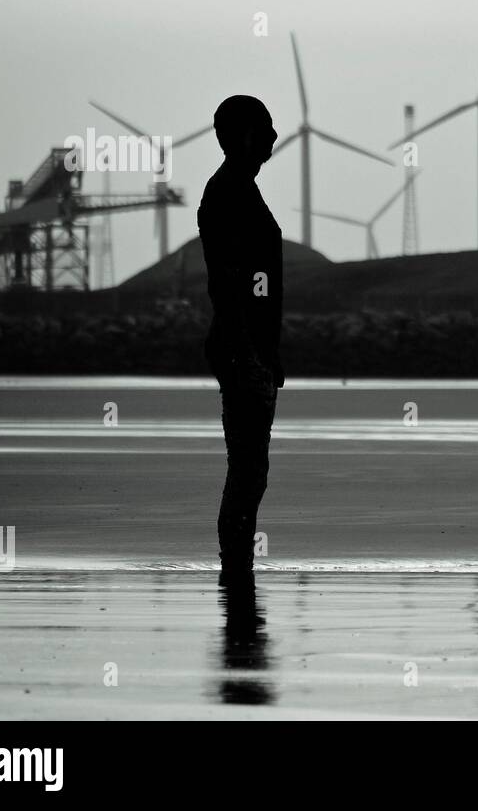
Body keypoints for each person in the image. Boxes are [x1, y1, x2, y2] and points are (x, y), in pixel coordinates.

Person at [197, 95, 283, 587]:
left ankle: (237, 571)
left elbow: (252, 281)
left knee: (251, 468)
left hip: (249, 347)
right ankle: (235, 573)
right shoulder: (229, 193)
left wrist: (269, 349)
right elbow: (237, 281)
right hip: (241, 346)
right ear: (245, 135)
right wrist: (251, 346)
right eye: (265, 128)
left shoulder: (238, 190)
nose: (274, 136)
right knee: (248, 468)